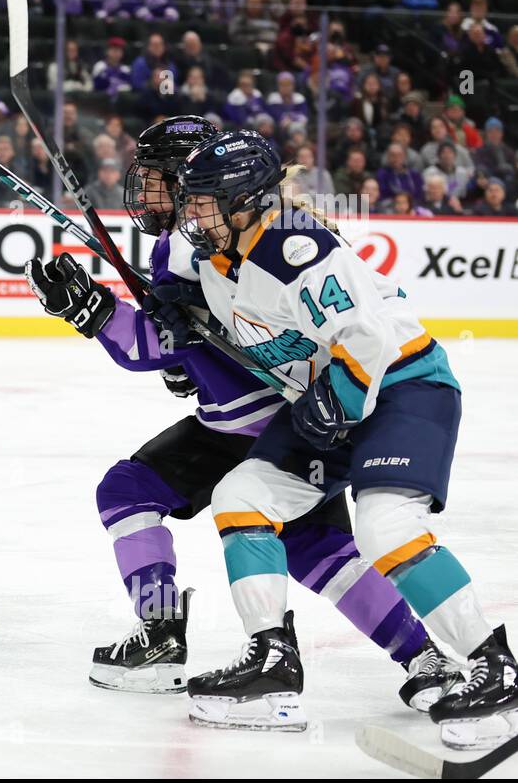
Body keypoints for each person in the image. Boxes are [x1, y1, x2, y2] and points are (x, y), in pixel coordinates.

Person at [25, 113, 455, 708]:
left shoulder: (195, 247)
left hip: (256, 422)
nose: (144, 195)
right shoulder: (215, 235)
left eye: (154, 180)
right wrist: (152, 340)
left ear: (189, 185)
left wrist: (93, 312)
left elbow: (159, 346)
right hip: (271, 414)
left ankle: (168, 636)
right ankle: (425, 660)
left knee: (135, 494)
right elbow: (184, 349)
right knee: (316, 551)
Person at [151, 128, 515, 745]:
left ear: (243, 201)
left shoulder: (295, 246)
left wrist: (338, 402)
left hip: (404, 386)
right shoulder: (220, 263)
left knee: (384, 527)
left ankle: (493, 665)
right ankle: (272, 659)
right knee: (242, 496)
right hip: (330, 402)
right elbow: (227, 328)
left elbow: (368, 340)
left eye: (204, 199)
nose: (191, 210)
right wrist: (168, 317)